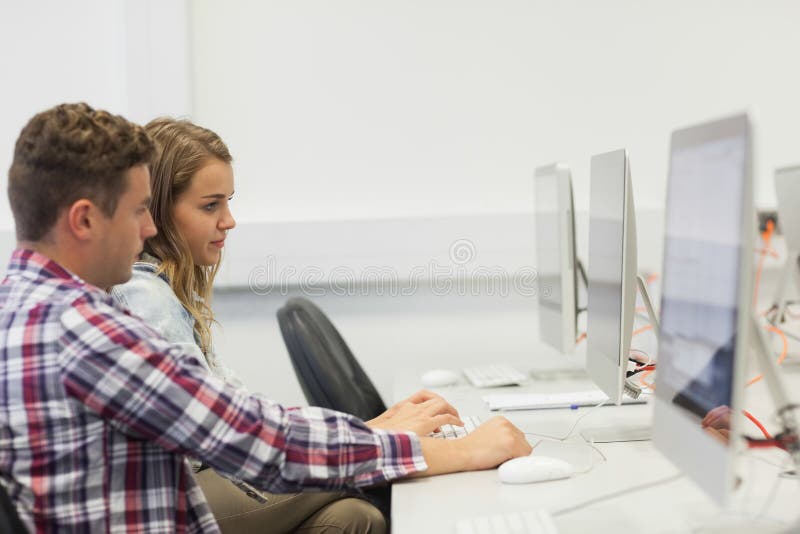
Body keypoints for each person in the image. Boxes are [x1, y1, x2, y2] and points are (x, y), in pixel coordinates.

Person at [0, 103, 532, 533]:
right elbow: (258, 441)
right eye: (139, 211)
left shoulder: (22, 304)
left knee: (351, 517)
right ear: (85, 219)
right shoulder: (88, 332)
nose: (147, 230)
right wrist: (461, 450)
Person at [108, 116, 462, 531]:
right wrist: (378, 438)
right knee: (356, 473)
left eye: (228, 202)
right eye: (210, 205)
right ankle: (449, 452)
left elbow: (238, 403)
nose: (229, 220)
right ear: (160, 212)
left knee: (354, 518)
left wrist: (366, 429)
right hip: (169, 493)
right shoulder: (143, 295)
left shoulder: (168, 292)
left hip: (204, 475)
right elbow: (214, 435)